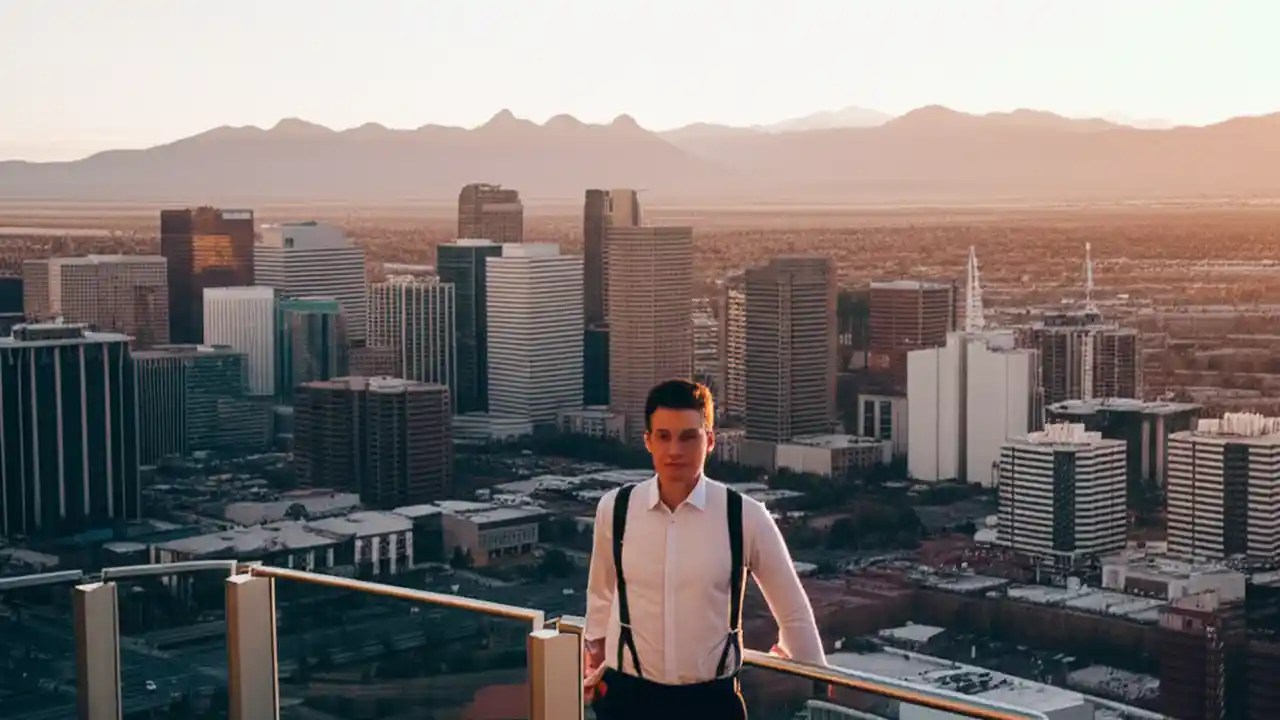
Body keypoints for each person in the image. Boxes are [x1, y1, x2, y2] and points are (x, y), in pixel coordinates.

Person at [583, 379, 826, 719]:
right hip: (627, 698)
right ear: (648, 441)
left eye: (688, 436)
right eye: (664, 436)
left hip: (710, 703)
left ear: (710, 440)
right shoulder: (616, 509)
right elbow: (601, 594)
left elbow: (793, 609)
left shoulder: (744, 516)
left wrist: (818, 678)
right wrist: (592, 656)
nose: (674, 450)